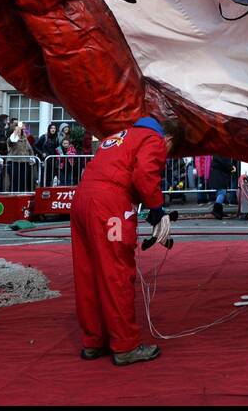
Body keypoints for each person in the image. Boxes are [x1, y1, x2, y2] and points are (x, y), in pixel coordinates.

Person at [70, 115, 180, 366]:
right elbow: (144, 174)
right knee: (116, 272)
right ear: (169, 138)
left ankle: (93, 341)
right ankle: (125, 345)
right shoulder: (153, 138)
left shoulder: (118, 136)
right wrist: (157, 209)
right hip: (109, 205)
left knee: (88, 272)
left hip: (82, 201)